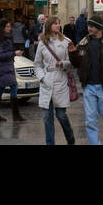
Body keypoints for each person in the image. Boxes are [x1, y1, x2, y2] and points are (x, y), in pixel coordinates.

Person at [72, 16, 103, 145]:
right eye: (88, 26)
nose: (89, 28)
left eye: (92, 26)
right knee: (90, 121)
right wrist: (72, 53)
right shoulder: (84, 42)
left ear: (99, 27)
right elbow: (78, 63)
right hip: (89, 87)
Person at [34, 15, 76, 145]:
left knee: (61, 115)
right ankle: (50, 143)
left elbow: (73, 62)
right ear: (49, 26)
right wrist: (42, 77)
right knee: (47, 117)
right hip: (47, 81)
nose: (58, 25)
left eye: (59, 23)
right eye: (55, 23)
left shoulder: (66, 41)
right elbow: (37, 64)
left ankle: (70, 137)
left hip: (61, 80)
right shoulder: (42, 43)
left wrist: (63, 64)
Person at [0, 18, 23, 122]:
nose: (9, 28)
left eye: (9, 26)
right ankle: (15, 115)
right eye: (7, 26)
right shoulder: (0, 40)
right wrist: (14, 53)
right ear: (2, 28)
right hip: (3, 67)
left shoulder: (7, 38)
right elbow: (1, 55)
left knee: (1, 88)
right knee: (13, 87)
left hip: (8, 67)